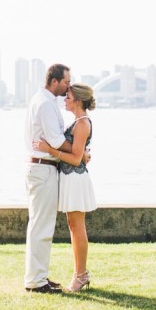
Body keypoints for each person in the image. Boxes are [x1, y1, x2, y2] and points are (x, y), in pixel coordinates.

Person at [34, 83, 96, 293]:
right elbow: (80, 154)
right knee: (73, 226)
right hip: (70, 179)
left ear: (78, 100)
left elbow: (76, 158)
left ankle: (81, 275)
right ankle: (80, 273)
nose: (65, 99)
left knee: (77, 227)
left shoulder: (82, 124)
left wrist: (49, 149)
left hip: (76, 180)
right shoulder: (78, 122)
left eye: (68, 97)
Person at [23, 63, 72, 293]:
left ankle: (39, 277)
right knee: (41, 226)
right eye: (66, 82)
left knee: (41, 225)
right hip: (43, 169)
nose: (68, 86)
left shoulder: (43, 101)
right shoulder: (44, 104)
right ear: (54, 81)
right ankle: (36, 281)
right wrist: (79, 152)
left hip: (42, 169)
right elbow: (55, 140)